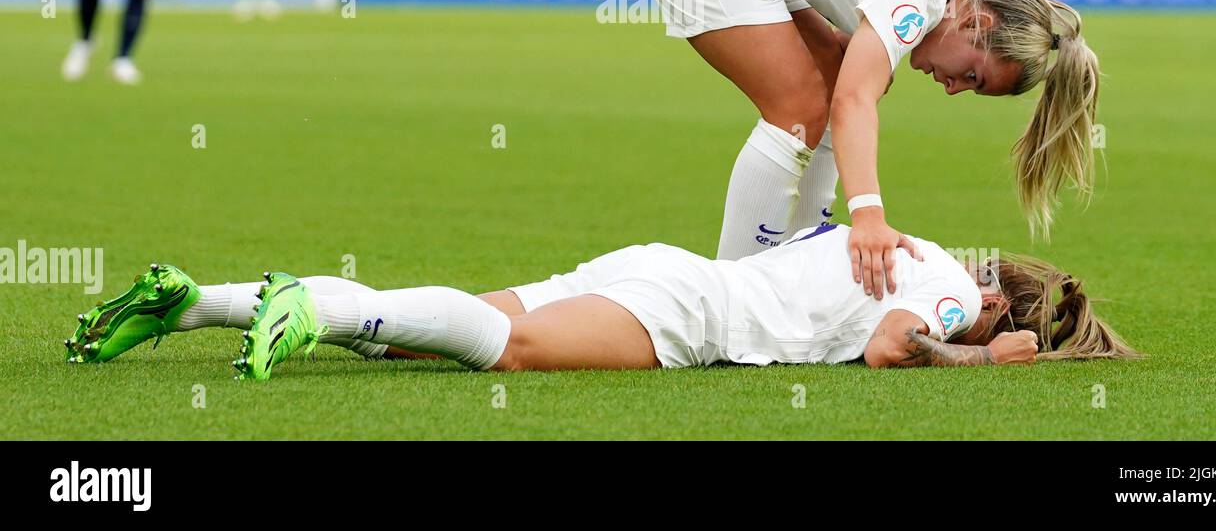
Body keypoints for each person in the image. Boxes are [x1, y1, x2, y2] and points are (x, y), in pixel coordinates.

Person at [624, 0, 1101, 297]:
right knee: (797, 107)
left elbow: (850, 77)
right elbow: (855, 100)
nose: (954, 90)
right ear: (976, 21)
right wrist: (868, 215)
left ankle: (801, 262)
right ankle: (731, 297)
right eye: (972, 76)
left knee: (831, 77)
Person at [64, 222, 1137, 380]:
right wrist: (975, 361)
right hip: (692, 316)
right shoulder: (955, 297)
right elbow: (891, 350)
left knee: (424, 329)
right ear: (1005, 307)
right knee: (511, 350)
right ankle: (313, 308)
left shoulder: (912, 239)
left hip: (663, 262)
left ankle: (198, 298)